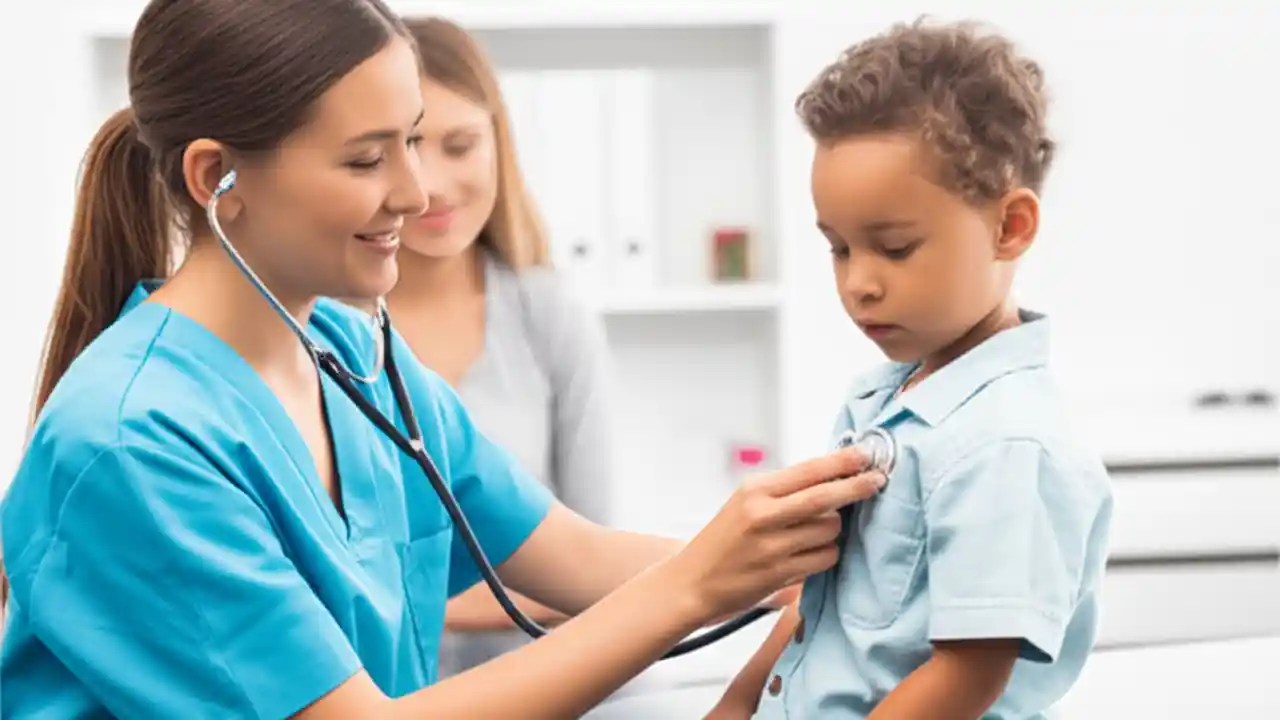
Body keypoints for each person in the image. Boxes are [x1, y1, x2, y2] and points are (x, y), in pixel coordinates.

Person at [0, 2, 888, 718]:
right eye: (365, 159)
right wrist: (698, 585)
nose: (416, 194)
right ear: (215, 178)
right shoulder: (131, 444)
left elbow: (569, 554)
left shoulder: (353, 354)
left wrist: (797, 556)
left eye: (416, 141)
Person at [708, 18, 1114, 720]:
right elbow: (819, 604)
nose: (858, 284)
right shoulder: (878, 402)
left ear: (1009, 227)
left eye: (893, 249)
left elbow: (967, 675)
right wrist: (735, 706)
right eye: (838, 248)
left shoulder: (1007, 445)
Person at [384, 17, 614, 676]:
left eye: (459, 144)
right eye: (401, 146)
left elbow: (597, 566)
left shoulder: (549, 316)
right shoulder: (320, 330)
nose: (428, 184)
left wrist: (415, 596)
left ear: (499, 142)